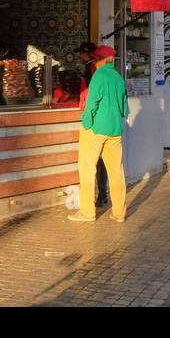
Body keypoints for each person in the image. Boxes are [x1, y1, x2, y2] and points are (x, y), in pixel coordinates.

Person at [69, 45, 128, 223]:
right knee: (116, 172)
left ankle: (87, 212)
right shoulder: (118, 77)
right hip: (115, 130)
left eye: (95, 59)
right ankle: (119, 213)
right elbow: (125, 107)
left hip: (95, 129)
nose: (94, 62)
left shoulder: (99, 76)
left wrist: (86, 123)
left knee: (87, 169)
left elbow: (92, 103)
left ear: (100, 60)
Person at [76, 42, 110, 208]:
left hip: (95, 122)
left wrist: (87, 121)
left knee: (92, 163)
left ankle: (96, 200)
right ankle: (104, 195)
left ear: (89, 54)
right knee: (105, 163)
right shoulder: (113, 75)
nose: (80, 57)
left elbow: (91, 96)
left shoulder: (93, 71)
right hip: (109, 124)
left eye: (81, 54)